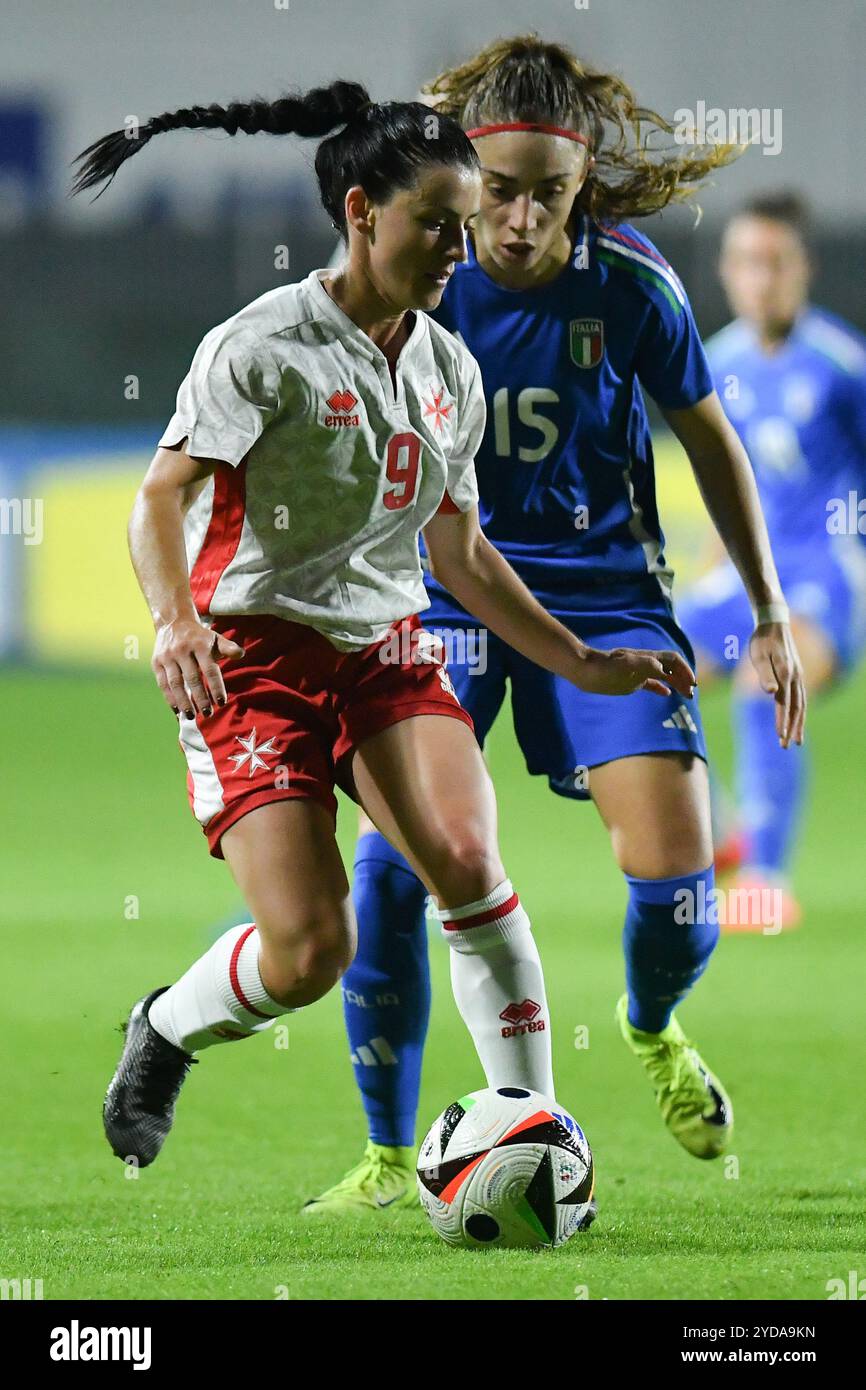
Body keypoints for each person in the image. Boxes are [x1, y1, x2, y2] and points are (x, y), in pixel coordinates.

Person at [71, 80, 695, 1174]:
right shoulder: (260, 345)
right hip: (251, 659)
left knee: (465, 861)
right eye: (437, 224)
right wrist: (172, 622)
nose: (460, 247)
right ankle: (166, 1026)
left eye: (464, 225)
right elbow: (157, 499)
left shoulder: (446, 365)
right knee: (313, 951)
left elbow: (459, 554)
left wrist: (582, 660)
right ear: (361, 213)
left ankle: (534, 1142)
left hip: (386, 648)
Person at [301, 35, 806, 1216]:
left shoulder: (630, 288)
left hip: (599, 594)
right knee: (387, 875)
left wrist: (769, 614)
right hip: (435, 593)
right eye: (501, 189)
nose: (520, 218)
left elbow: (710, 444)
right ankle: (386, 1151)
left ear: (582, 193)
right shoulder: (407, 279)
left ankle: (651, 1025)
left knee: (676, 885)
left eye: (550, 195)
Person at [678, 192, 866, 927]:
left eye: (776, 262)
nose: (762, 278)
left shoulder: (842, 367)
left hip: (826, 578)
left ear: (804, 269)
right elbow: (722, 487)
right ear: (726, 272)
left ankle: (765, 877)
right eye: (747, 263)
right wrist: (703, 566)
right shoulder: (711, 366)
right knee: (643, 674)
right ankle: (724, 837)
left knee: (767, 678)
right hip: (743, 579)